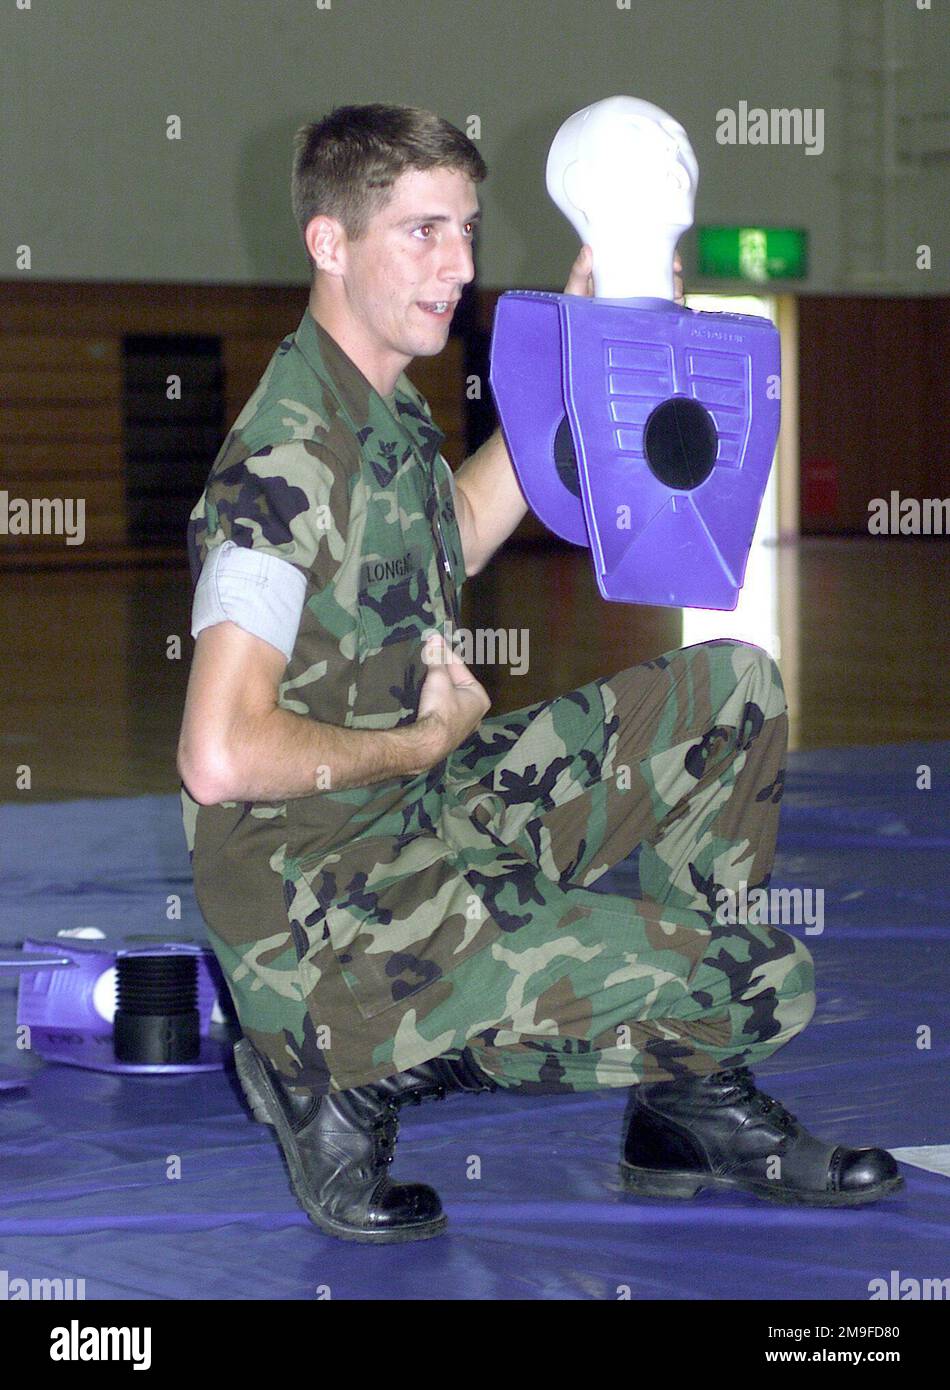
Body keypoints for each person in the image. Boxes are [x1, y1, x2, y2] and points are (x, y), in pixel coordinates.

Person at [176, 104, 902, 1244]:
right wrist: (418, 744)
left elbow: (446, 534)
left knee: (732, 695)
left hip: (410, 813)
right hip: (319, 905)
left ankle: (682, 1104)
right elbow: (219, 754)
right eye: (421, 233)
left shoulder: (377, 405)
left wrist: (572, 357)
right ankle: (338, 1066)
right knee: (760, 984)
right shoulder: (278, 465)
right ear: (328, 241)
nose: (459, 264)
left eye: (464, 230)